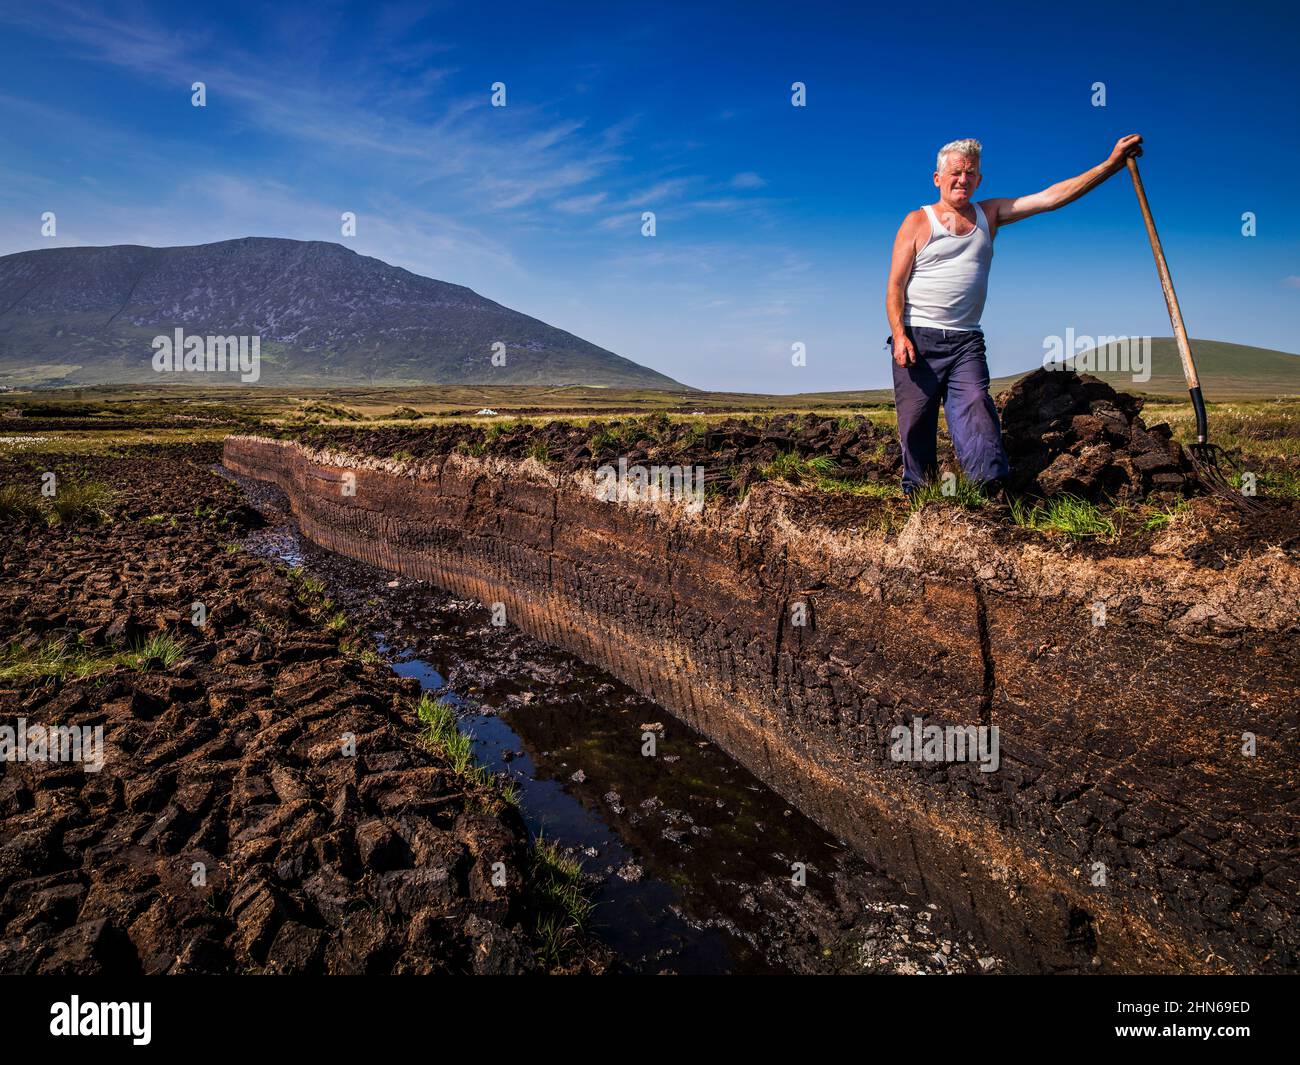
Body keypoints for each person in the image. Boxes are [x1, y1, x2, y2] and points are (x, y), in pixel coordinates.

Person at [886, 134, 1144, 496]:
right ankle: (921, 498)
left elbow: (1049, 199)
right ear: (937, 178)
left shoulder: (988, 215)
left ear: (979, 180)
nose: (962, 179)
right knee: (915, 423)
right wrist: (899, 334)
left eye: (970, 174)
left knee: (976, 408)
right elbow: (894, 287)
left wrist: (1111, 164)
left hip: (965, 342)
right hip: (917, 337)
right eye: (955, 172)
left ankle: (990, 492)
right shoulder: (917, 221)